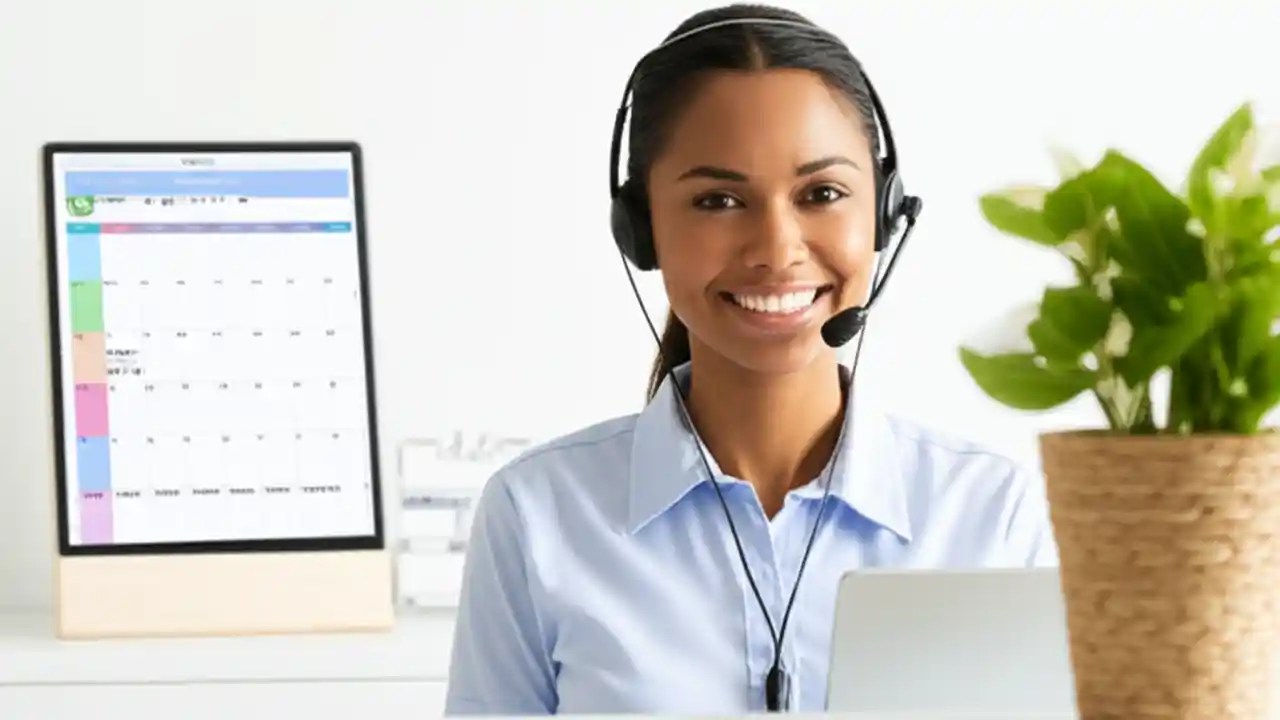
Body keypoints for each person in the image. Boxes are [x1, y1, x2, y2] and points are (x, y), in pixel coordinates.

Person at [444, 3, 1056, 716]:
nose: (776, 249)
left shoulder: (991, 517)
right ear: (642, 230)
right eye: (718, 199)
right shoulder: (538, 517)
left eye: (822, 194)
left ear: (885, 213)